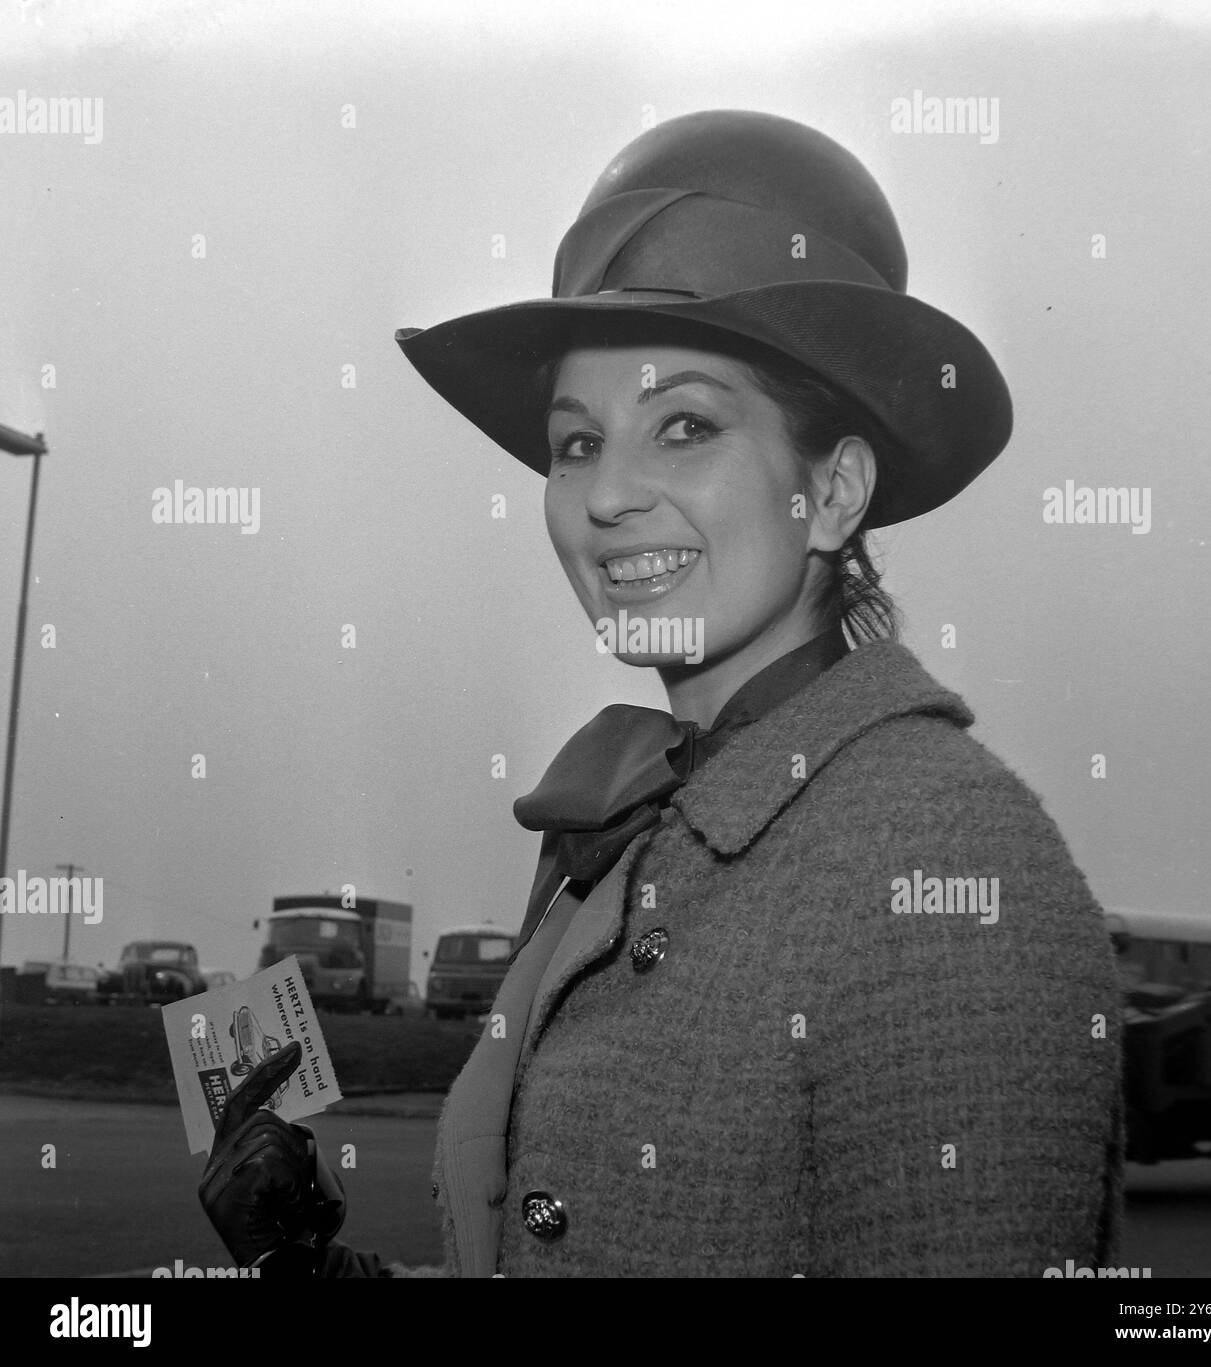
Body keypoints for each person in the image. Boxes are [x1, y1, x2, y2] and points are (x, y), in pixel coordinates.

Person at [200, 109, 1124, 1277]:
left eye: (683, 424)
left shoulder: (944, 860)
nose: (606, 495)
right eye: (575, 442)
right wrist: (312, 1268)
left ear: (831, 493)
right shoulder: (646, 822)